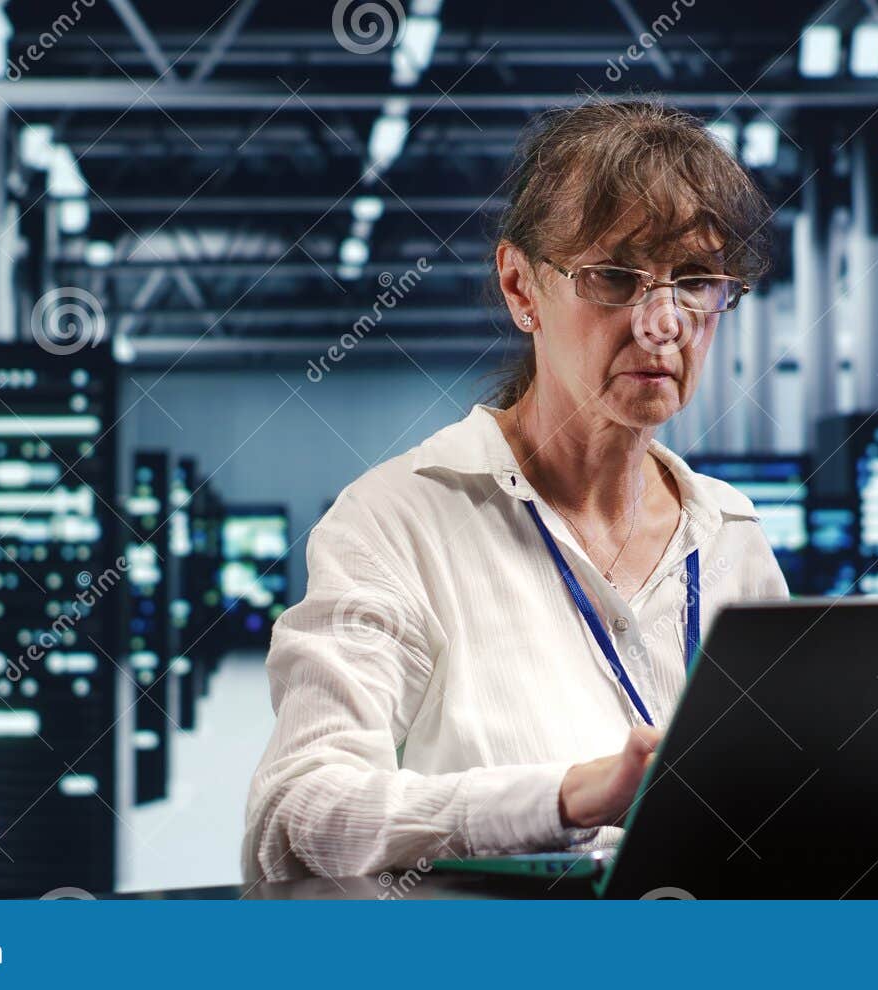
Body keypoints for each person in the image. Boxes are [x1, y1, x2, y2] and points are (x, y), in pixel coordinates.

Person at [242, 99, 788, 883]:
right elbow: (295, 817)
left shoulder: (731, 534)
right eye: (616, 277)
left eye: (696, 281)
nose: (663, 322)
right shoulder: (397, 523)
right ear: (520, 287)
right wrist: (562, 801)